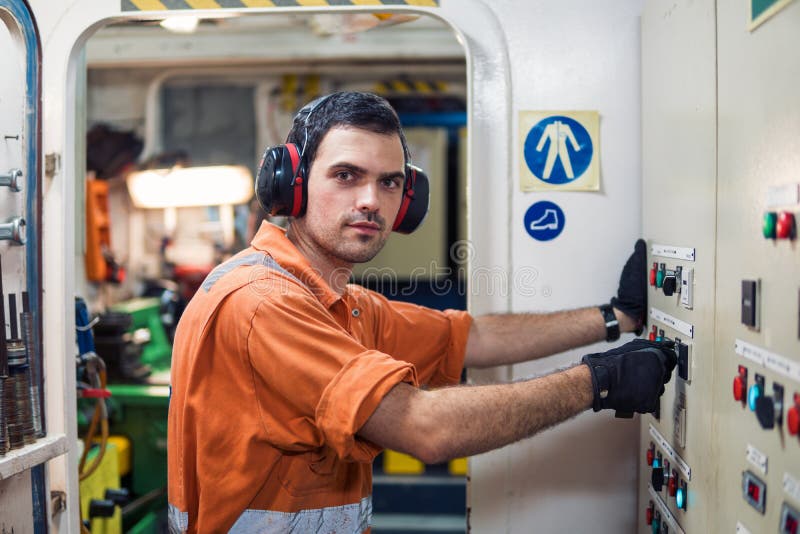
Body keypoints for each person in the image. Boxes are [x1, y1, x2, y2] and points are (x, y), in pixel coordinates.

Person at [167, 91, 676, 533]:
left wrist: (616, 318)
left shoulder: (342, 304)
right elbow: (425, 428)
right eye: (346, 175)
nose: (370, 200)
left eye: (389, 183)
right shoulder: (263, 303)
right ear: (291, 184)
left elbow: (471, 338)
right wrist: (598, 382)